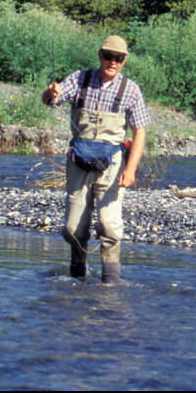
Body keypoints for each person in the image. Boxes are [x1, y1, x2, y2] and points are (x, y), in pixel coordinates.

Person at [42, 35, 150, 283]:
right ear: (100, 56)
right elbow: (51, 101)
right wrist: (50, 93)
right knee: (72, 228)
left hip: (111, 166)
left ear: (124, 61)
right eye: (109, 57)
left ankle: (110, 283)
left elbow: (140, 131)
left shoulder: (131, 90)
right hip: (78, 164)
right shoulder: (80, 79)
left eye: (119, 58)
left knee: (109, 226)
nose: (113, 62)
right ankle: (77, 275)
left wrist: (131, 169)